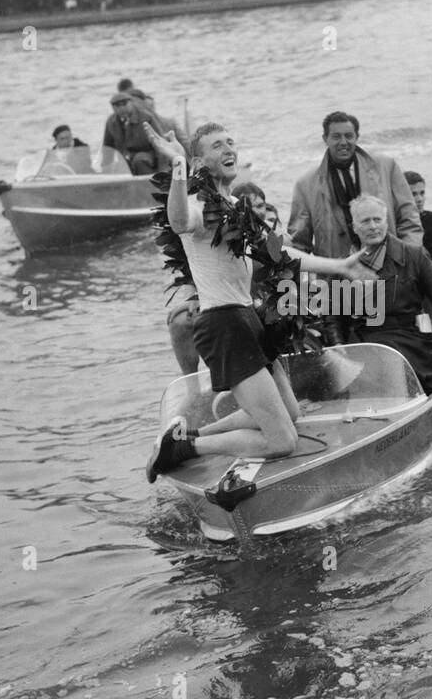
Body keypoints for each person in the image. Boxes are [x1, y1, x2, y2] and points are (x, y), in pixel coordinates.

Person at [146, 122, 366, 480]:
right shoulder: (198, 204)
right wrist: (177, 167)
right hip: (223, 325)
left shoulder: (235, 206)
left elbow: (281, 253)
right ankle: (185, 449)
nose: (228, 148)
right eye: (217, 145)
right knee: (283, 441)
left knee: (291, 412)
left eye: (231, 142)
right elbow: (179, 222)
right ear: (200, 163)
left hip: (248, 319)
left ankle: (192, 435)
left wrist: (339, 266)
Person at [347, 195, 432, 396]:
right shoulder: (344, 265)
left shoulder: (414, 255)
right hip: (363, 345)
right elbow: (334, 318)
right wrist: (338, 350)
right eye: (365, 221)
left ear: (386, 222)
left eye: (377, 220)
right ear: (354, 227)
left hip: (409, 342)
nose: (373, 226)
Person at [288, 112, 422, 260]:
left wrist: (408, 261)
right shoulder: (306, 185)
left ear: (357, 137)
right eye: (336, 136)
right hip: (337, 276)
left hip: (389, 266)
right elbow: (299, 244)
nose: (343, 142)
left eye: (349, 136)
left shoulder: (387, 167)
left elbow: (410, 220)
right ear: (325, 139)